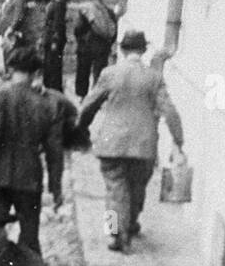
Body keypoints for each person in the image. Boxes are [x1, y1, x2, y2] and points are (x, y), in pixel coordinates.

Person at [77, 30, 186, 252]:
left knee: (113, 191)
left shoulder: (110, 73)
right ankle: (131, 224)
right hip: (143, 145)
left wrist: (81, 127)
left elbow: (90, 104)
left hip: (111, 143)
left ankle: (115, 232)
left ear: (122, 49)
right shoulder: (153, 77)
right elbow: (169, 110)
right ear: (144, 51)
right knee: (136, 188)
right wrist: (178, 140)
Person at [0, 48, 74, 254]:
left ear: (11, 69)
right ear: (36, 73)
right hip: (29, 174)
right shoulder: (49, 103)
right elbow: (54, 152)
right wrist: (56, 189)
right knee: (30, 236)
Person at [73, 0, 117, 98]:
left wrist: (80, 39)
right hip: (102, 47)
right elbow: (113, 31)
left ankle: (82, 96)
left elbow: (78, 28)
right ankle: (97, 97)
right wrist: (108, 43)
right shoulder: (108, 11)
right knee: (99, 73)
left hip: (85, 46)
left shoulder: (86, 9)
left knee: (83, 72)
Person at [41, 0, 68, 92]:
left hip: (54, 40)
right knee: (48, 65)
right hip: (49, 39)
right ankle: (49, 87)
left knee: (54, 66)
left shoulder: (58, 3)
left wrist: (55, 42)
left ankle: (54, 89)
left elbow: (58, 24)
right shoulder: (53, 2)